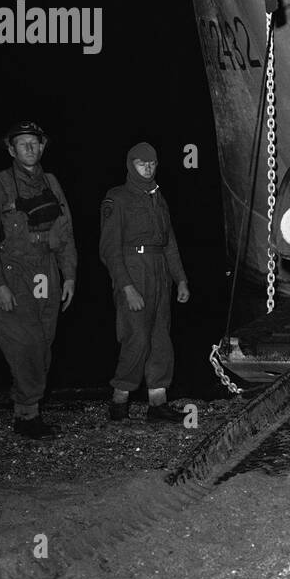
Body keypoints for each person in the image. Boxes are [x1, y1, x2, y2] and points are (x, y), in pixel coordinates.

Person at [0, 121, 76, 439]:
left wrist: (69, 274)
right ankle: (27, 415)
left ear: (42, 147)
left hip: (47, 272)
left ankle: (27, 407)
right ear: (11, 149)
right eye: (22, 144)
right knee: (24, 345)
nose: (29, 148)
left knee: (43, 343)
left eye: (35, 143)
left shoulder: (52, 182)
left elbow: (66, 230)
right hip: (14, 275)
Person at [99, 143, 189, 423]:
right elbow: (109, 250)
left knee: (161, 337)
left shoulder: (158, 198)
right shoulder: (117, 198)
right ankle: (119, 401)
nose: (147, 168)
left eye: (152, 164)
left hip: (159, 270)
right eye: (141, 164)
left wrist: (181, 279)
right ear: (130, 165)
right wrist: (126, 287)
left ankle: (157, 403)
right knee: (135, 336)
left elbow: (170, 243)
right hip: (133, 269)